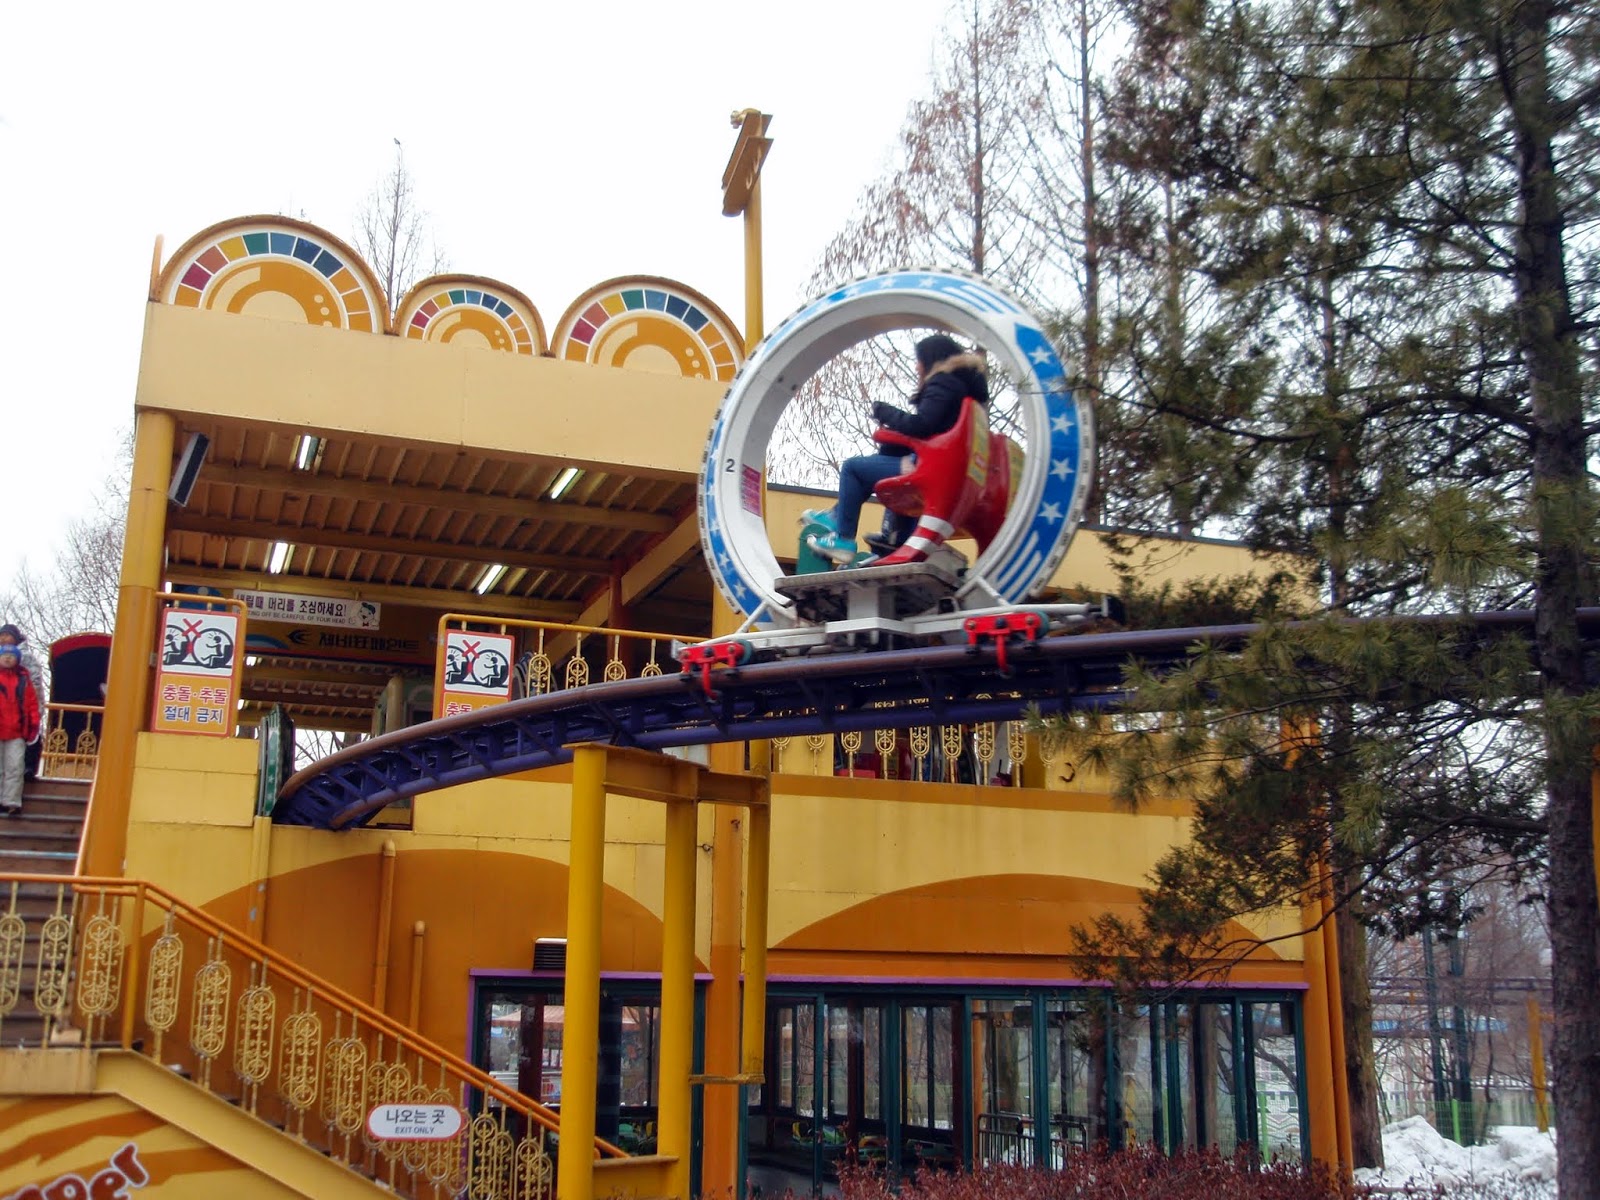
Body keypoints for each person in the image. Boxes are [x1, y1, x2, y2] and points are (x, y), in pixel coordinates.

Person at [805, 334, 991, 565]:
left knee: (853, 468)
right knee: (876, 464)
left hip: (932, 468)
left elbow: (922, 426)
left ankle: (843, 538)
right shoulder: (966, 390)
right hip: (953, 470)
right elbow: (938, 429)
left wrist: (885, 412)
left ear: (930, 359)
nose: (916, 366)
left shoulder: (944, 382)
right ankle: (866, 527)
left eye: (919, 360)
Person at [0, 623, 42, 816]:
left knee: (15, 765)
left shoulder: (24, 674)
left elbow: (33, 698)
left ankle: (11, 801)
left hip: (17, 728)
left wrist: (34, 723)